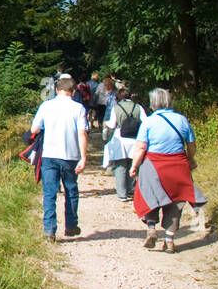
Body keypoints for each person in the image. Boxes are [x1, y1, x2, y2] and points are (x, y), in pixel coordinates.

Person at [129, 89, 206, 253]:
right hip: (178, 164)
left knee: (149, 196)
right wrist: (190, 159)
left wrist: (134, 166)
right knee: (176, 201)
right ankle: (170, 239)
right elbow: (191, 145)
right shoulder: (182, 120)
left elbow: (141, 147)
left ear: (153, 103)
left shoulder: (149, 122)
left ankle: (151, 227)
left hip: (153, 165)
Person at [30, 76, 88, 242]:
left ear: (56, 90)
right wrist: (83, 158)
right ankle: (70, 225)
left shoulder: (46, 105)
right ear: (73, 91)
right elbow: (82, 133)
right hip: (70, 155)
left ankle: (49, 230)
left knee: (49, 193)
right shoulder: (79, 108)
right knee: (71, 190)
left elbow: (34, 128)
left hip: (49, 155)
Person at [102, 85, 146, 201]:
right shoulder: (138, 107)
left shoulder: (116, 108)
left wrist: (106, 124)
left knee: (120, 166)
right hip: (135, 138)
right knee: (133, 164)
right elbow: (145, 122)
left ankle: (122, 193)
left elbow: (112, 124)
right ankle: (130, 189)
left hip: (120, 139)